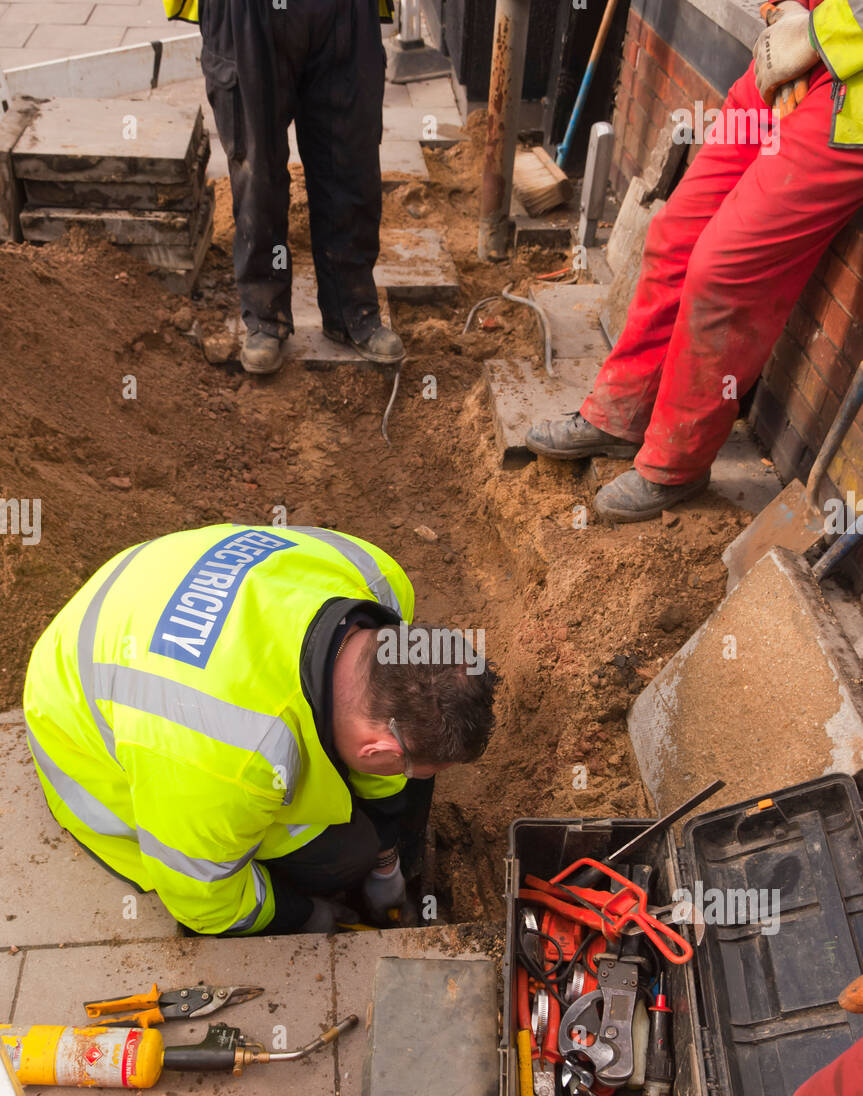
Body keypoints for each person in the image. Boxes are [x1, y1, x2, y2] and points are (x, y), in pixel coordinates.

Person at [23, 525, 497, 936]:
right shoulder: (224, 755)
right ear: (377, 751)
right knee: (343, 854)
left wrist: (388, 859)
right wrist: (303, 916)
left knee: (370, 833)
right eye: (408, 767)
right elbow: (202, 898)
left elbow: (387, 745)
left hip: (146, 591)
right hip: (82, 738)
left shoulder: (377, 579)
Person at [526, 0, 863, 523]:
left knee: (724, 268)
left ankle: (677, 461)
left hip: (853, 98)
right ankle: (622, 413)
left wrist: (821, 34)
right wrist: (787, 13)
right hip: (794, 51)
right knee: (673, 235)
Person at [163, 0, 403, 375]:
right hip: (246, 15)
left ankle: (351, 308)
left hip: (342, 12)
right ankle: (265, 314)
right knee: (257, 170)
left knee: (350, 162)